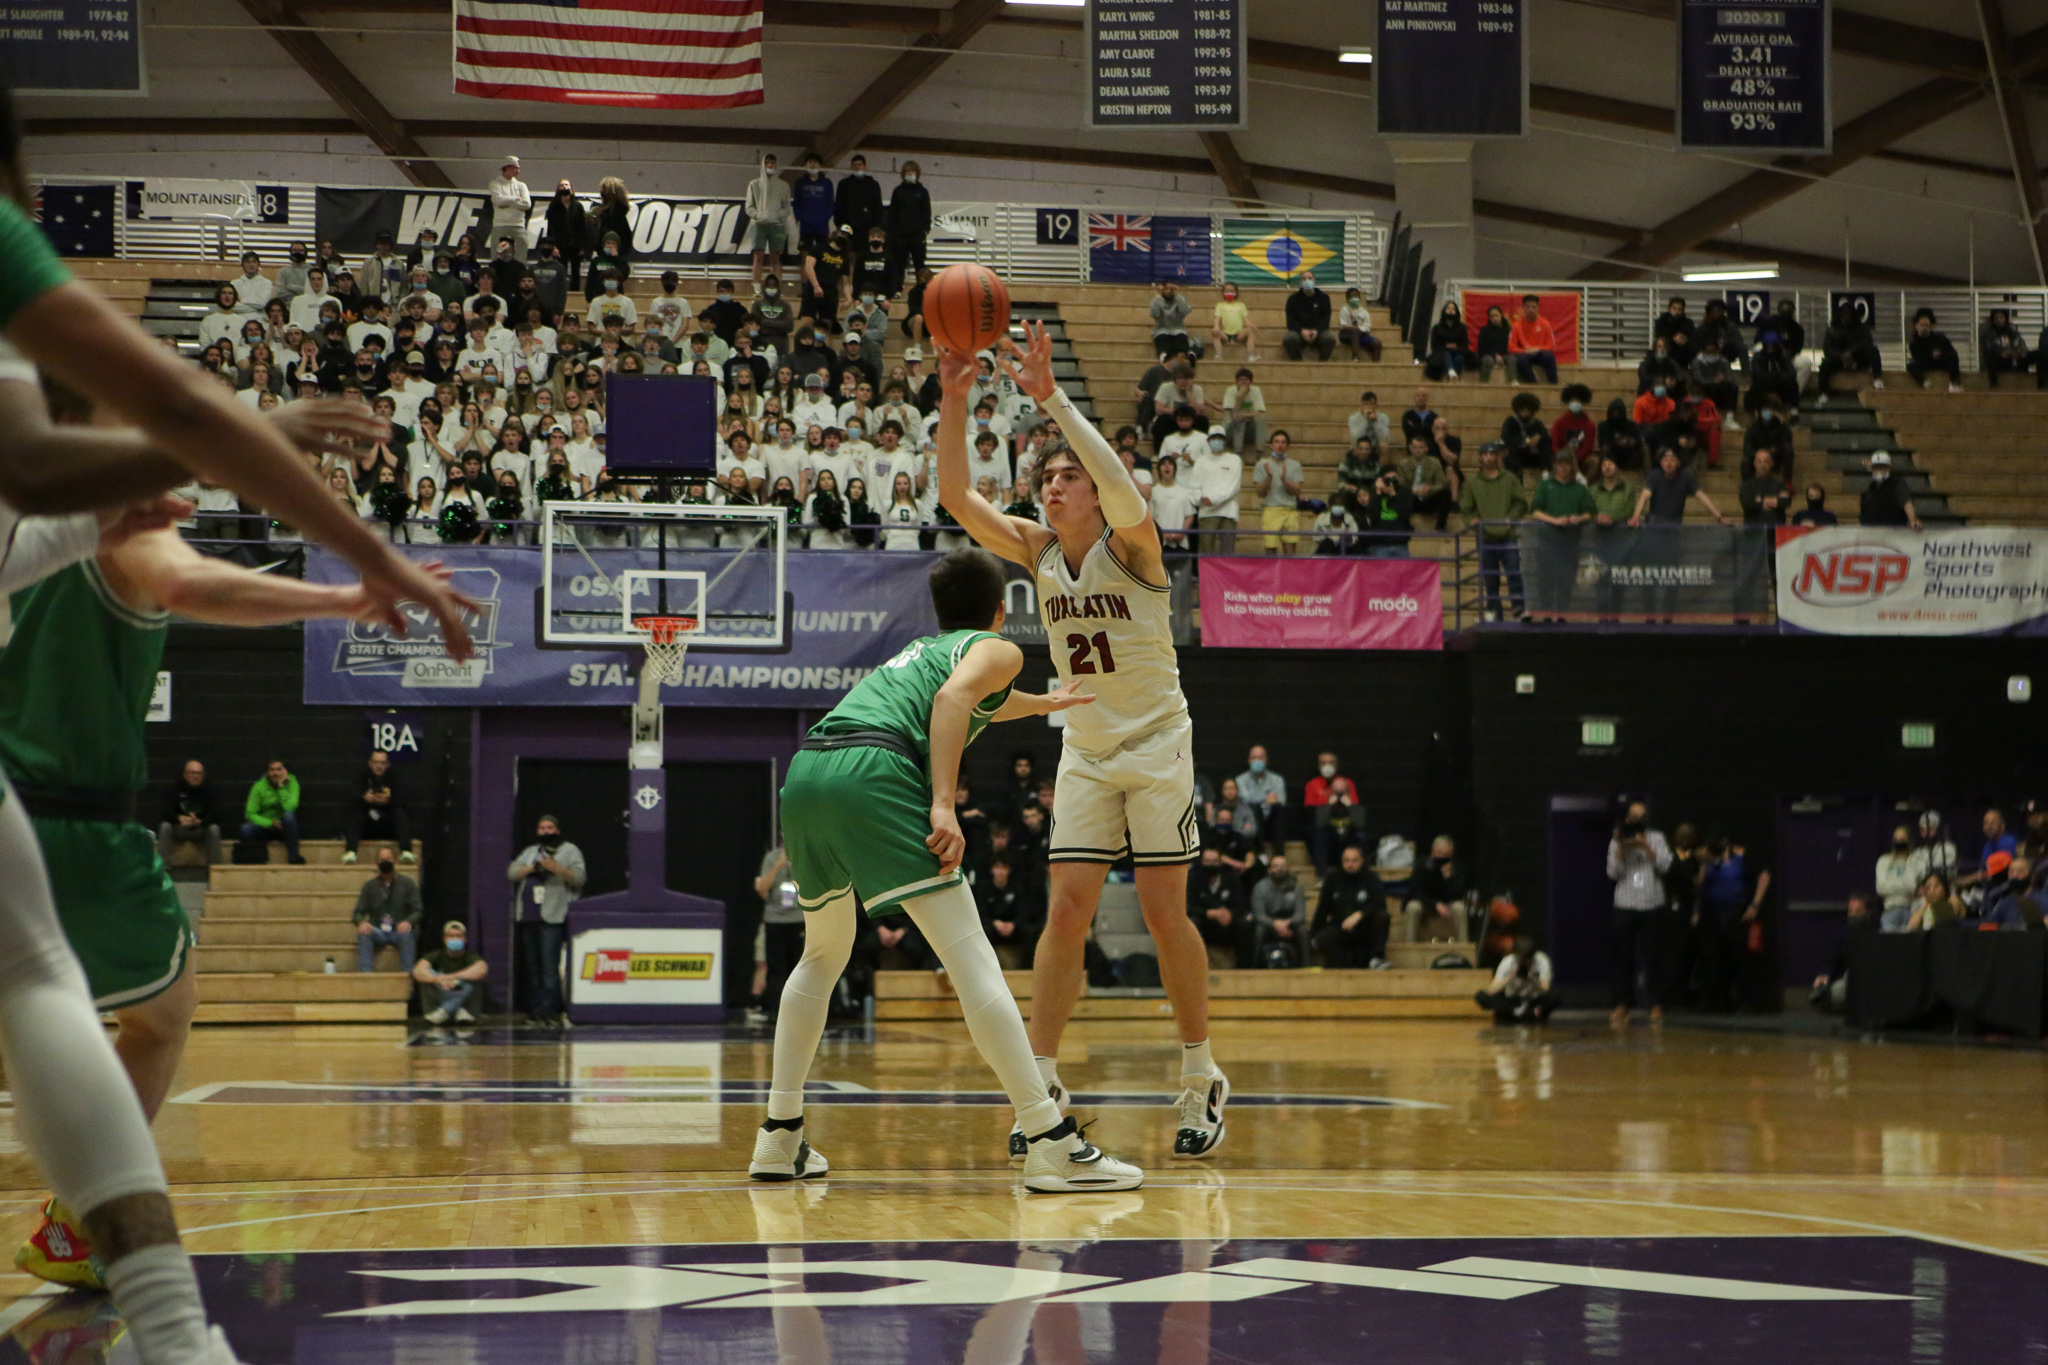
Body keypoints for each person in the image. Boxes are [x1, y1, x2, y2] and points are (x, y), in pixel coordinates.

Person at [0, 498, 414, 1320]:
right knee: (163, 1015)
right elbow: (193, 582)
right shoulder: (123, 524)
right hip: (73, 823)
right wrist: (335, 599)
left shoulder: (16, 523)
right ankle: (77, 1223)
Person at [750, 546, 1139, 1193]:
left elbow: (979, 696)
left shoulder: (921, 653)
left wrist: (1042, 703)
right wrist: (942, 802)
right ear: (1000, 611)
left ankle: (779, 1133)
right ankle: (1048, 1137)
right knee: (972, 960)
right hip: (876, 774)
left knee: (822, 954)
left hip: (809, 770)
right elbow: (957, 700)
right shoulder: (996, 650)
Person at [936, 323, 1228, 1164]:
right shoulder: (1037, 553)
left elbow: (1122, 484)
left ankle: (1200, 1072)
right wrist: (955, 400)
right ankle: (1044, 1086)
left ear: (1097, 493)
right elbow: (959, 497)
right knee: (1065, 910)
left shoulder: (1134, 546)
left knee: (1169, 915)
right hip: (1088, 746)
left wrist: (1051, 400)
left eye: (1069, 477)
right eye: (1048, 478)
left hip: (1158, 742)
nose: (1055, 486)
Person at [508, 814, 585, 1028]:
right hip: (529, 917)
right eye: (541, 828)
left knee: (550, 968)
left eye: (549, 827)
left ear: (557, 830)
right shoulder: (531, 851)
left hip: (553, 918)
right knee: (533, 969)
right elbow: (512, 872)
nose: (545, 831)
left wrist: (556, 869)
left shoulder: (570, 850)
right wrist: (533, 868)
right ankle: (536, 1012)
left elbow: (579, 878)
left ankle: (551, 1011)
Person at [1606, 801, 1671, 1023]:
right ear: (1627, 819)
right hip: (1625, 903)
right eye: (1634, 817)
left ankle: (1655, 1003)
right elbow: (1613, 873)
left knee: (1653, 955)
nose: (1638, 821)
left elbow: (1666, 866)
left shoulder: (1657, 837)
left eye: (1641, 817)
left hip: (1652, 903)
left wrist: (1645, 847)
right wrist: (1622, 848)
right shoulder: (1617, 840)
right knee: (1624, 957)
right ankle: (1624, 1003)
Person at [1459, 442, 1527, 620]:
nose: (1489, 457)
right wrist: (1472, 521)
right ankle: (1494, 613)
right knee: (1490, 579)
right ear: (1480, 457)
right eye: (1485, 454)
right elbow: (1465, 508)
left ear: (1498, 457)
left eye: (1492, 454)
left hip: (1508, 535)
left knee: (1514, 573)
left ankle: (1519, 609)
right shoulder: (1473, 483)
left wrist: (1511, 519)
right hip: (1485, 537)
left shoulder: (1510, 479)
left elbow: (1520, 502)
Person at [1311, 844, 1388, 969]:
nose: (1350, 864)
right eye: (1346, 861)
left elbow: (1379, 904)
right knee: (1324, 937)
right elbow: (1322, 909)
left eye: (1354, 860)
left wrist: (1360, 915)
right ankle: (1339, 969)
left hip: (1364, 927)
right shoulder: (1332, 879)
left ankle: (1376, 959)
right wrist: (1313, 934)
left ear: (1361, 861)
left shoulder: (1371, 878)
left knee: (1381, 917)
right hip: (1340, 926)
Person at [754, 841, 803, 1023]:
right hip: (775, 920)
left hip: (799, 919)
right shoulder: (772, 857)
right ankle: (774, 1011)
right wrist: (777, 866)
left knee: (797, 968)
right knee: (776, 968)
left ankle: (798, 1012)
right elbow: (762, 888)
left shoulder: (805, 856)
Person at [352, 846, 420, 974]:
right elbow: (358, 912)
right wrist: (362, 922)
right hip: (378, 929)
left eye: (388, 859)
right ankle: (365, 975)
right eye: (382, 859)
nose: (385, 862)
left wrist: (408, 922)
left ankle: (407, 976)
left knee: (407, 936)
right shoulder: (370, 886)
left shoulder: (407, 883)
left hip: (399, 929)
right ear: (377, 863)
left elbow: (418, 910)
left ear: (395, 861)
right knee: (364, 934)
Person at [412, 919, 487, 1025]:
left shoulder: (471, 956)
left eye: (458, 936)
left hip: (463, 1010)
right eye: (451, 936)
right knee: (429, 974)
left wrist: (452, 977)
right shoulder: (436, 955)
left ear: (465, 939)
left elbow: (481, 968)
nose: (454, 939)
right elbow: (418, 970)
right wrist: (438, 979)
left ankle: (445, 1010)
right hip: (442, 992)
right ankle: (457, 1009)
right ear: (444, 939)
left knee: (469, 984)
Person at [342, 748, 411, 862]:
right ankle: (350, 852)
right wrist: (365, 798)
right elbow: (352, 796)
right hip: (367, 826)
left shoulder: (394, 779)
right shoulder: (361, 778)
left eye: (382, 763)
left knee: (400, 813)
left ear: (388, 764)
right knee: (356, 813)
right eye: (376, 762)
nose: (379, 766)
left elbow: (403, 799)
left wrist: (389, 800)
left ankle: (406, 851)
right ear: (370, 763)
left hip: (388, 826)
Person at [1476, 936, 1560, 1024]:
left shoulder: (1541, 960)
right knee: (1481, 996)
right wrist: (1508, 978)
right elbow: (1491, 990)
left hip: (1532, 998)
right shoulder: (1508, 961)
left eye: (1527, 960)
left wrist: (1534, 981)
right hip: (1512, 998)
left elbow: (1545, 989)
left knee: (1556, 996)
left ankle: (1532, 1012)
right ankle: (1509, 1012)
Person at [156, 759, 222, 868]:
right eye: (192, 773)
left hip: (201, 829)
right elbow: (165, 812)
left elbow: (217, 814)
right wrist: (179, 818)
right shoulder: (174, 790)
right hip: (179, 828)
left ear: (203, 775)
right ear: (185, 774)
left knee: (214, 829)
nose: (195, 776)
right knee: (165, 827)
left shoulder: (211, 791)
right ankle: (162, 868)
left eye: (198, 773)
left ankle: (215, 868)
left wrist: (200, 821)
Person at [1815, 300, 1884, 404]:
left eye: (1849, 314)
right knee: (1825, 364)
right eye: (1844, 314)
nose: (1847, 316)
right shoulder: (1832, 329)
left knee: (1873, 350)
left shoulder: (1862, 327)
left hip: (1858, 358)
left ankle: (1877, 379)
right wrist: (1841, 357)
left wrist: (1851, 353)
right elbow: (1827, 348)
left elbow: (1867, 342)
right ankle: (1823, 393)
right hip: (1838, 360)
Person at [240, 759, 303, 864]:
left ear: (284, 771)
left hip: (286, 828)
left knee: (289, 816)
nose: (276, 773)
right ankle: (260, 858)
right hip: (267, 827)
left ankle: (294, 857)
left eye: (279, 769)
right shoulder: (259, 787)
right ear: (268, 772)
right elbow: (249, 814)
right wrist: (271, 823)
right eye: (272, 770)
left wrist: (281, 787)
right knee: (245, 829)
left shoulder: (292, 782)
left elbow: (290, 807)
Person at [745, 154, 793, 289]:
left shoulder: (783, 185)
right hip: (759, 225)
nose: (770, 165)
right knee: (758, 257)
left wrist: (777, 216)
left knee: (775, 258)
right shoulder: (754, 184)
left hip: (777, 226)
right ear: (763, 164)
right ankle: (756, 287)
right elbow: (749, 207)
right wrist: (758, 216)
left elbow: (787, 208)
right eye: (768, 163)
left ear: (776, 165)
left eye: (773, 163)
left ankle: (776, 287)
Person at [1250, 853, 1306, 968]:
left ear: (1288, 869)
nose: (1279, 869)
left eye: (1282, 866)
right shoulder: (1260, 888)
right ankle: (1254, 968)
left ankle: (1306, 967)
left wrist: (1287, 923)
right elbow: (1259, 915)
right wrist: (1275, 924)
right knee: (1259, 931)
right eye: (1275, 866)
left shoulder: (1297, 887)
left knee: (1303, 930)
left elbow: (1300, 915)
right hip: (1268, 924)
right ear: (1270, 870)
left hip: (1289, 924)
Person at [1253, 431, 1302, 554]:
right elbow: (1260, 493)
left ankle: (1288, 573)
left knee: (1290, 552)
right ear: (1271, 445)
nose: (1280, 445)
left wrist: (1284, 481)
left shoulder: (1295, 465)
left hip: (1290, 510)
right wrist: (1269, 478)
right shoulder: (1261, 465)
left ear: (1287, 446)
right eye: (1276, 442)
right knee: (1270, 550)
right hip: (1271, 510)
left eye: (1283, 442)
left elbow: (1297, 491)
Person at [886, 161, 932, 285]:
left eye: (912, 172)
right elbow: (892, 213)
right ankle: (898, 288)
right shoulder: (898, 191)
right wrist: (892, 233)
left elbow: (926, 213)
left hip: (917, 235)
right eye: (907, 172)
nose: (910, 174)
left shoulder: (922, 192)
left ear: (917, 174)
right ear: (903, 174)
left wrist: (925, 230)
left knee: (919, 263)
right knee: (899, 263)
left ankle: (921, 286)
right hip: (900, 235)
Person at [1858, 451, 1921, 530]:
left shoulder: (1898, 484)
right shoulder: (1871, 487)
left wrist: (1913, 520)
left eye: (1882, 467)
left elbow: (1907, 503)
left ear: (1889, 468)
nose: (1879, 470)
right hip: (1872, 533)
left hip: (1894, 532)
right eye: (1876, 467)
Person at [1907, 308, 1962, 393]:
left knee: (1952, 356)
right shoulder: (1914, 343)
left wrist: (1940, 354)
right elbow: (1917, 357)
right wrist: (1931, 355)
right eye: (1922, 325)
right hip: (1926, 363)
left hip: (1940, 362)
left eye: (1927, 325)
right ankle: (1924, 382)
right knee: (1910, 366)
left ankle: (1954, 383)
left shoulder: (1940, 338)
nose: (1925, 328)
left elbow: (1952, 351)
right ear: (1916, 326)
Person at [1282, 273, 1334, 360]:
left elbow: (1326, 318)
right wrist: (1301, 331)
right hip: (1299, 331)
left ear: (1314, 281)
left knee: (1329, 339)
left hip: (1318, 331)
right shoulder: (1293, 299)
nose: (1307, 281)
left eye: (1309, 278)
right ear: (1300, 282)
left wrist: (1317, 330)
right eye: (1304, 279)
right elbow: (1290, 321)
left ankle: (1322, 365)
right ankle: (1298, 364)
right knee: (1289, 339)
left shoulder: (1324, 298)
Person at [1509, 294, 1558, 384]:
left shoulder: (1545, 324)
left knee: (1549, 357)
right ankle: (1533, 384)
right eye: (1527, 307)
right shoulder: (1516, 325)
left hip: (1540, 352)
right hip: (1525, 353)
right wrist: (1525, 351)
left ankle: (1554, 385)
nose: (1530, 309)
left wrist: (1538, 349)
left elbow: (1551, 345)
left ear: (1537, 308)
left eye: (1533, 307)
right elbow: (1511, 347)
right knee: (1519, 361)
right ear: (1523, 308)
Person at [487, 155, 531, 250]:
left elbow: (527, 204)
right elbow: (498, 201)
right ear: (507, 167)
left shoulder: (521, 185)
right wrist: (515, 199)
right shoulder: (495, 183)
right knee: (497, 254)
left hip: (518, 225)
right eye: (515, 168)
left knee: (521, 251)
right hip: (500, 224)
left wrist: (506, 201)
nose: (518, 171)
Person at [1211, 282, 1259, 362]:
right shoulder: (1220, 305)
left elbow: (1245, 320)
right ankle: (1218, 354)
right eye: (1226, 291)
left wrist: (1252, 326)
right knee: (1214, 333)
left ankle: (1251, 354)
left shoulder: (1241, 305)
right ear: (1223, 293)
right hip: (1225, 333)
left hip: (1239, 333)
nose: (1229, 293)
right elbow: (1217, 318)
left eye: (1231, 291)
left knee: (1250, 331)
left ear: (1236, 293)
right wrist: (1216, 327)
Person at [1150, 281, 1194, 362]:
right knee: (1163, 339)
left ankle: (1187, 355)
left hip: (1178, 329)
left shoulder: (1179, 300)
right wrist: (1159, 296)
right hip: (1161, 329)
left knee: (1181, 338)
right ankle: (1164, 356)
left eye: (1171, 289)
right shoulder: (1156, 300)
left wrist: (1177, 295)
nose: (1169, 291)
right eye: (1166, 289)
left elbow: (1185, 311)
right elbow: (1155, 314)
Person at [1337, 286, 1379, 361]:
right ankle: (1355, 356)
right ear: (1347, 299)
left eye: (1356, 295)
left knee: (1377, 343)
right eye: (1351, 296)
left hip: (1362, 335)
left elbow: (1367, 327)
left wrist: (1358, 330)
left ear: (1359, 298)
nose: (1354, 298)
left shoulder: (1364, 312)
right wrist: (1355, 329)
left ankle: (1376, 365)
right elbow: (1343, 326)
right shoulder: (1344, 310)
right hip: (1346, 335)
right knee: (1355, 332)